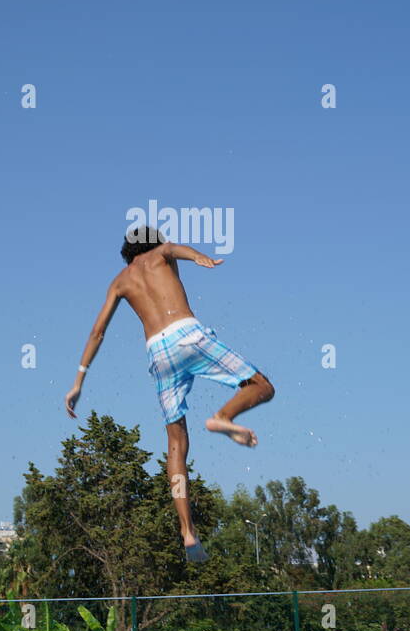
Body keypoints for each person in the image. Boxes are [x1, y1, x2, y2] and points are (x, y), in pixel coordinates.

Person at [64, 226, 274, 562]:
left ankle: (187, 532)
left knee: (176, 444)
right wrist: (199, 257)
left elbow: (97, 332)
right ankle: (223, 417)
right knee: (261, 386)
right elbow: (177, 249)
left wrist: (78, 381)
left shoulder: (119, 282)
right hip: (188, 335)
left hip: (158, 353)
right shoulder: (161, 252)